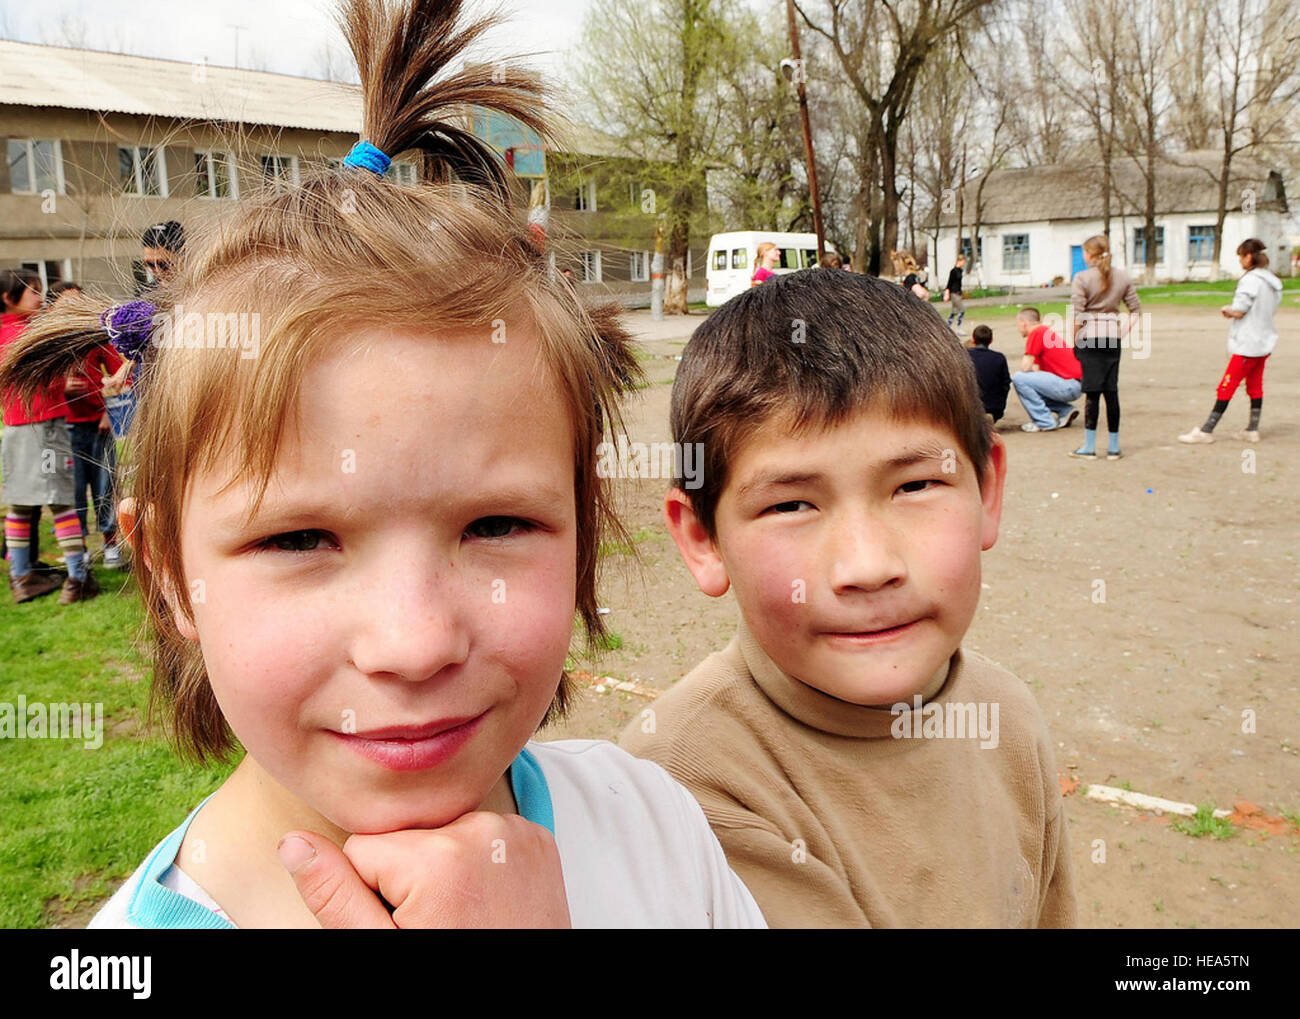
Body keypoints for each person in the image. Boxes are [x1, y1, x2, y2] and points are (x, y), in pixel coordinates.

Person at [3, 0, 763, 930]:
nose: (416, 642)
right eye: (298, 538)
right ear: (167, 576)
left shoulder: (655, 824)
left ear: (584, 525)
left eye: (496, 524)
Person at [620, 269, 1076, 927]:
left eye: (916, 486)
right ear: (702, 538)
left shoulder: (1009, 716)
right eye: (791, 503)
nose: (867, 565)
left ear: (987, 492)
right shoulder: (678, 788)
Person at [1, 269, 94, 603]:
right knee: (62, 503)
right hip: (45, 427)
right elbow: (40, 378)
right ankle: (76, 580)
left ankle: (21, 577)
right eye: (32, 291)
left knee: (20, 506)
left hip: (13, 429)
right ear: (8, 298)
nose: (40, 297)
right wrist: (63, 385)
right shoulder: (26, 334)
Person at [51, 282, 130, 569]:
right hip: (63, 428)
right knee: (72, 490)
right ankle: (79, 546)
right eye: (67, 302)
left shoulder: (94, 337)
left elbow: (121, 378)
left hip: (99, 425)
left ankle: (111, 545)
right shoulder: (50, 343)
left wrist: (109, 413)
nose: (74, 306)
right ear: (54, 307)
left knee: (104, 485)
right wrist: (62, 389)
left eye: (78, 300)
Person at [1178, 238, 1282, 444]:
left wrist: (1228, 311)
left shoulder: (1250, 280)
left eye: (1241, 256)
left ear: (1249, 256)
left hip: (1248, 344)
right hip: (1264, 340)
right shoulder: (1271, 281)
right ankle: (1252, 429)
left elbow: (1241, 309)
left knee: (1227, 385)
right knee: (1255, 385)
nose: (1240, 261)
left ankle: (1207, 430)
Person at [1069, 234, 1139, 460]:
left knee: (1092, 394)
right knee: (1111, 392)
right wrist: (1121, 332)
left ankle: (1089, 446)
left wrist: (1074, 339)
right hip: (1112, 340)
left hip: (1089, 337)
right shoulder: (1123, 277)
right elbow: (1136, 310)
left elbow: (1078, 314)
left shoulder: (1081, 278)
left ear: (1090, 254)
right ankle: (1113, 446)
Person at [1011, 307, 1081, 432]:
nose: (1018, 328)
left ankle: (1044, 422)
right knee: (1030, 384)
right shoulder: (1044, 332)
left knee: (1018, 378)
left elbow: (1025, 367)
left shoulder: (1037, 332)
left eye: (1018, 324)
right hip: (1074, 384)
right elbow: (1035, 371)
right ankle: (1065, 410)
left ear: (1024, 322)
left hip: (1069, 384)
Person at [968, 324, 1010, 424]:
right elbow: (1005, 384)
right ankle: (989, 414)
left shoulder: (965, 355)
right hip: (994, 407)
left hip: (970, 404)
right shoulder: (999, 358)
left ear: (973, 340)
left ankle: (974, 415)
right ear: (991, 341)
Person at [944, 253, 967, 331]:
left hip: (958, 292)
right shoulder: (953, 271)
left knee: (954, 311)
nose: (964, 264)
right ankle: (959, 328)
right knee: (962, 310)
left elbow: (959, 283)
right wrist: (947, 293)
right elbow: (949, 282)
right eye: (963, 262)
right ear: (959, 261)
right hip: (954, 293)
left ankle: (948, 326)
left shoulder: (960, 270)